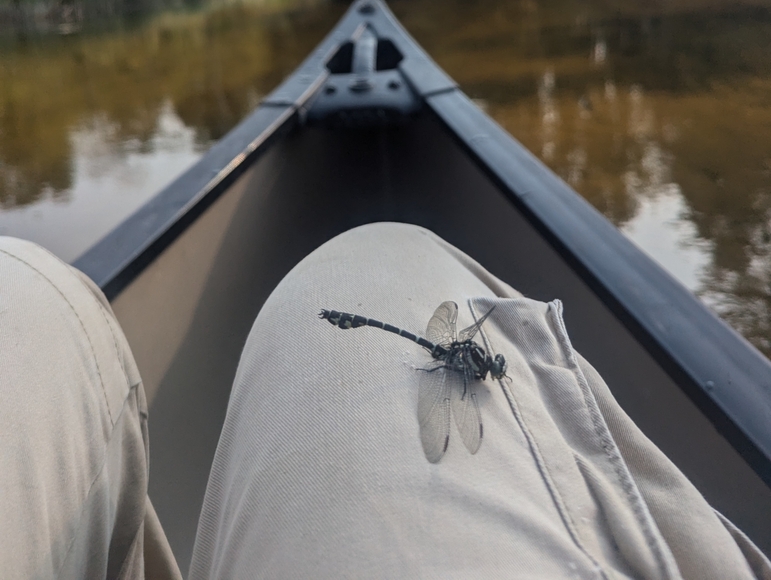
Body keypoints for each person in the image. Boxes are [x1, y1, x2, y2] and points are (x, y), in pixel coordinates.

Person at [1, 224, 770, 579]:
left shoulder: (465, 356)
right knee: (390, 254)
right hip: (413, 345)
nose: (486, 369)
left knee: (31, 303)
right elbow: (453, 391)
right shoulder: (460, 372)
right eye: (484, 366)